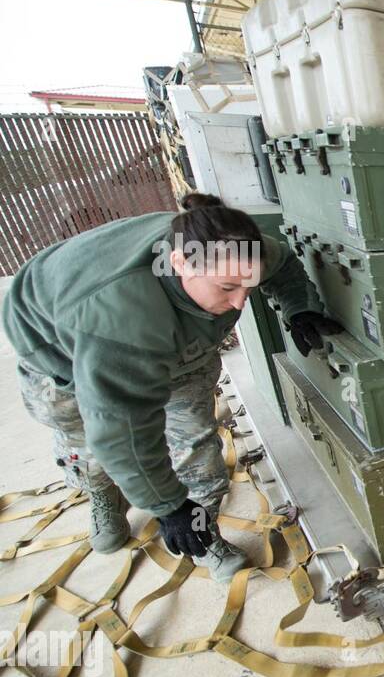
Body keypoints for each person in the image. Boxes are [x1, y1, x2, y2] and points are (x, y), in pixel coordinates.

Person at [3, 193, 342, 583]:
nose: (238, 304)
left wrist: (300, 309)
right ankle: (100, 491)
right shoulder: (124, 321)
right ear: (181, 263)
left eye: (248, 287)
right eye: (227, 288)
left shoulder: (238, 251)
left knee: (197, 449)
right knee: (87, 445)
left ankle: (203, 531)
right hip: (55, 347)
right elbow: (121, 431)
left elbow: (281, 268)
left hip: (174, 341)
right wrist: (165, 507)